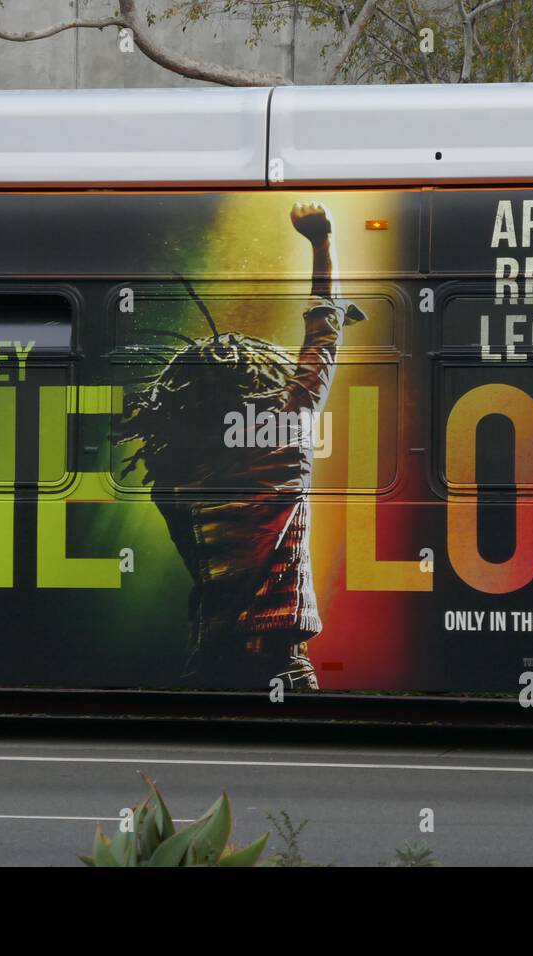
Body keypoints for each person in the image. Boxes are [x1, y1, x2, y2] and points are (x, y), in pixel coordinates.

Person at [118, 202, 365, 690]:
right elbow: (322, 337)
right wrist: (322, 242)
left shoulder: (172, 480)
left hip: (208, 659)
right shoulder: (285, 436)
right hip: (279, 664)